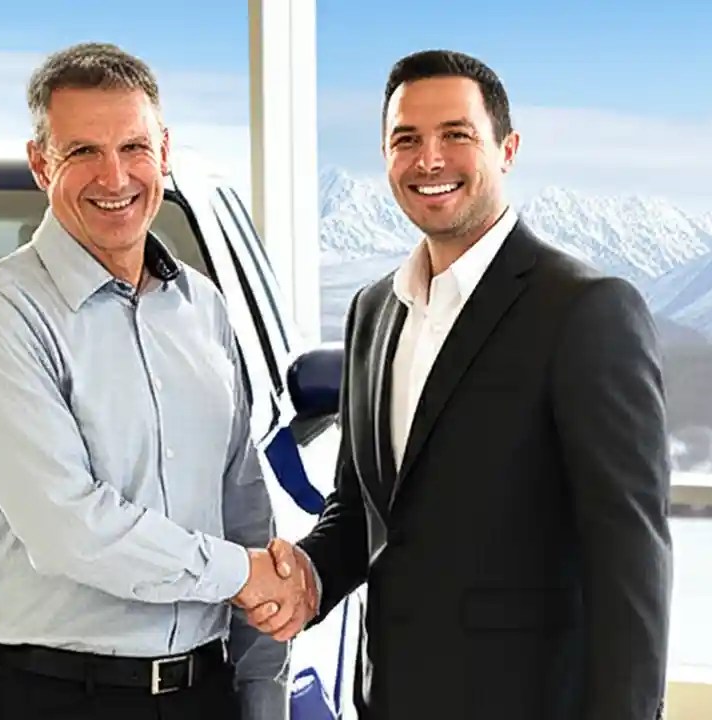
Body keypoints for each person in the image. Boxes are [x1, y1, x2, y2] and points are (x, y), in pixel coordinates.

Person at [250, 49, 673, 720]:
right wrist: (306, 578)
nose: (429, 159)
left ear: (507, 149)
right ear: (385, 155)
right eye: (406, 140)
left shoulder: (585, 311)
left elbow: (629, 556)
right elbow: (360, 511)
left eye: (456, 134)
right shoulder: (372, 312)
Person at [0, 42, 300, 720]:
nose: (115, 176)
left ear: (164, 151)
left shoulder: (202, 308)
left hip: (203, 695)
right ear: (41, 164)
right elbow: (69, 527)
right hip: (58, 698)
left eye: (133, 147)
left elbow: (244, 506)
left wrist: (260, 692)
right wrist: (241, 575)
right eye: (82, 152)